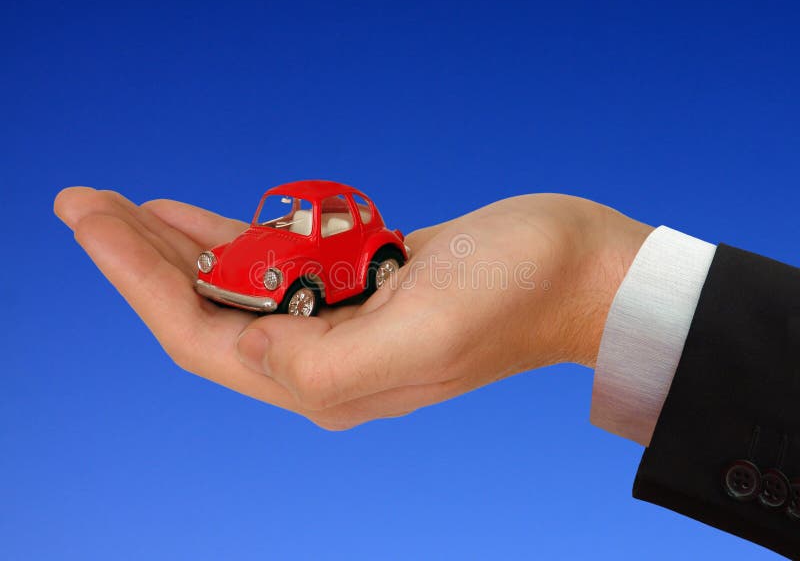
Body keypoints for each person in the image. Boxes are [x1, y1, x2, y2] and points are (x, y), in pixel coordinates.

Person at [53, 187, 799, 557]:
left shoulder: (357, 242)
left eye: (297, 219)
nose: (282, 226)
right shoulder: (271, 238)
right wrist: (594, 283)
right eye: (279, 218)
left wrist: (580, 277)